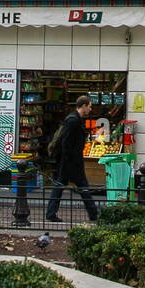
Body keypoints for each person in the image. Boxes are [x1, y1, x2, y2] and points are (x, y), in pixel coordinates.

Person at [45, 95, 98, 223]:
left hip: (71, 161)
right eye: (89, 107)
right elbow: (66, 143)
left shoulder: (75, 119)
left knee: (62, 186)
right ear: (83, 106)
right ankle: (94, 214)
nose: (90, 110)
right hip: (71, 162)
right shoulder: (73, 120)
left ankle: (51, 213)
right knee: (82, 186)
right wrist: (69, 160)